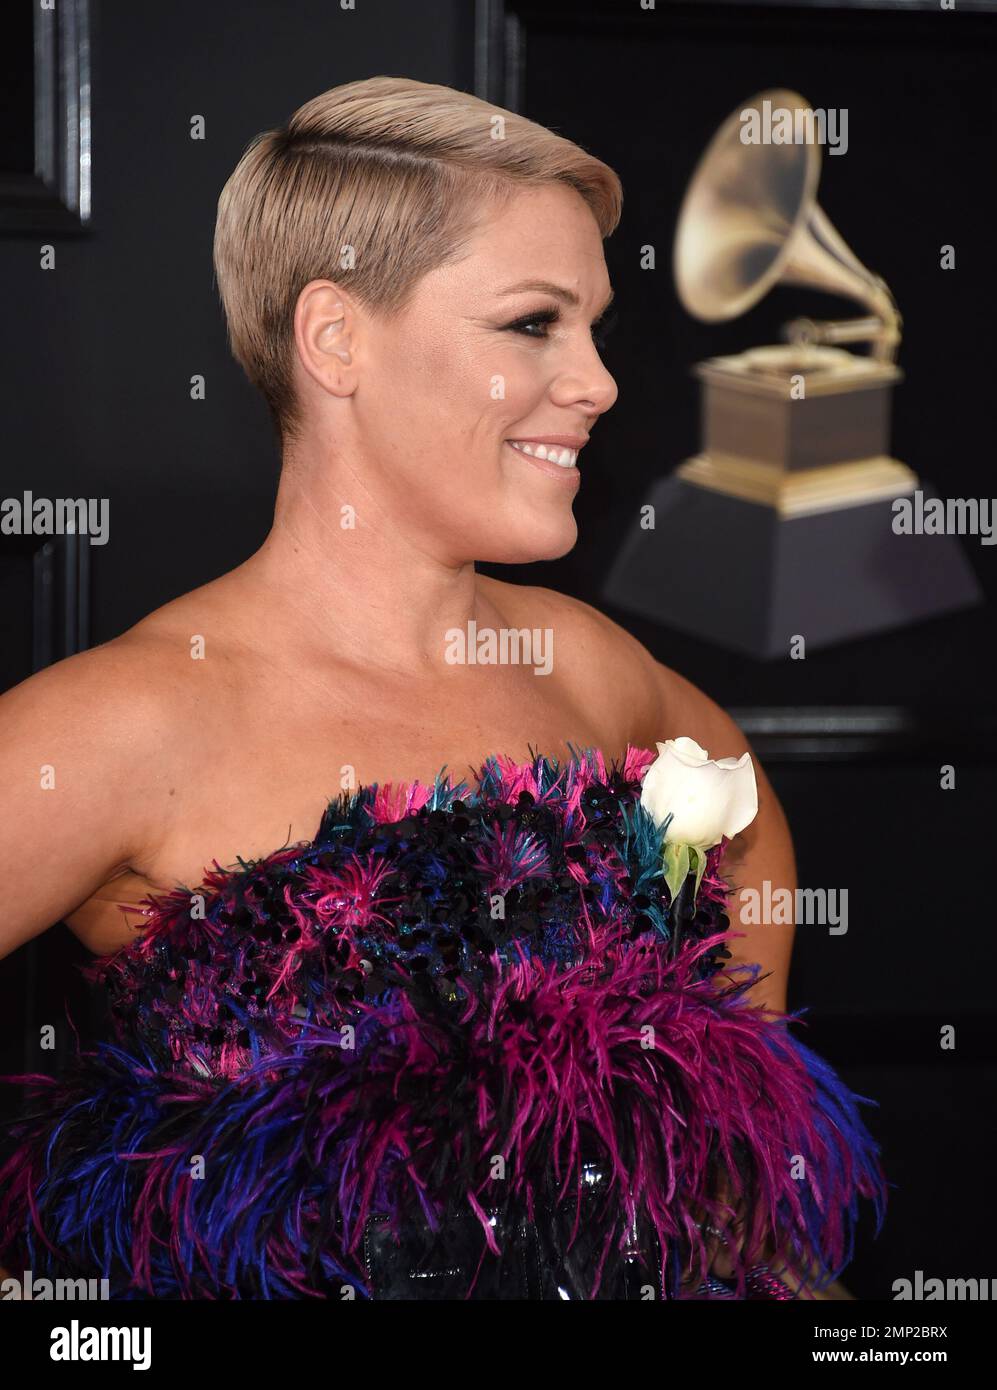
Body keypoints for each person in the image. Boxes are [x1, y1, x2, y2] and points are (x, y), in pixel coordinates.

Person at [0, 76, 885, 1300]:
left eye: (592, 328)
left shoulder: (584, 663)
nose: (597, 383)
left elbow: (747, 821)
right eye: (532, 323)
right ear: (335, 339)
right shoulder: (122, 722)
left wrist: (737, 1169)